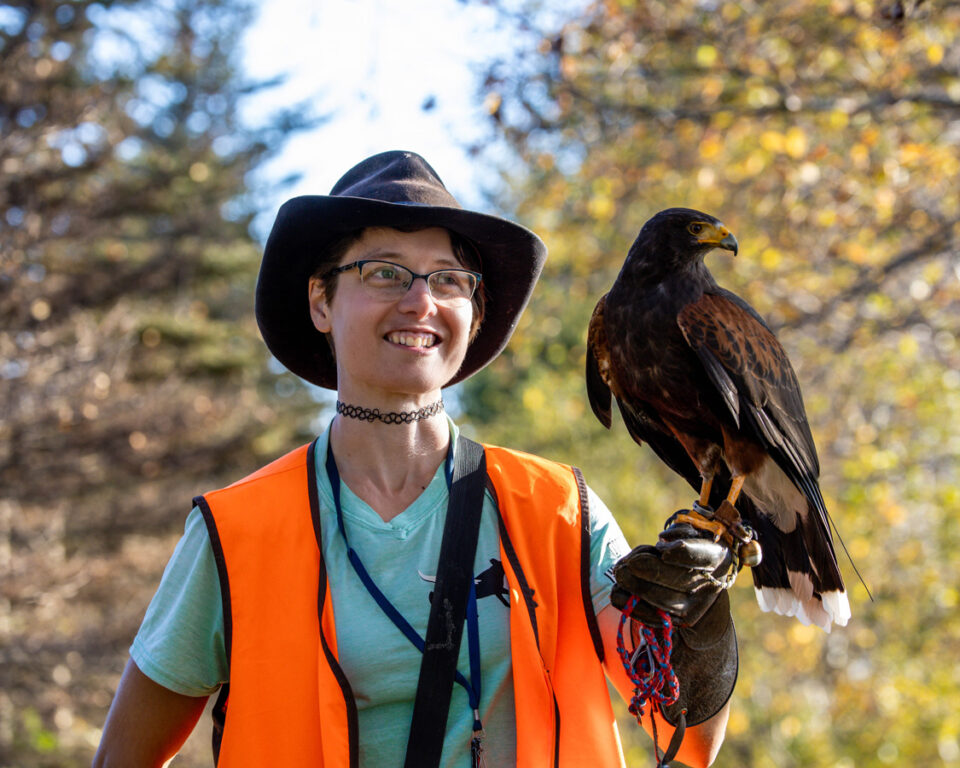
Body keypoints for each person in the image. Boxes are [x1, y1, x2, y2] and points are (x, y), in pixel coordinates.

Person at [93, 151, 737, 768]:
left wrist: (701, 621)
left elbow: (685, 736)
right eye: (385, 273)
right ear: (320, 300)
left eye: (449, 279)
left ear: (473, 312)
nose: (420, 301)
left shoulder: (560, 512)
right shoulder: (235, 533)